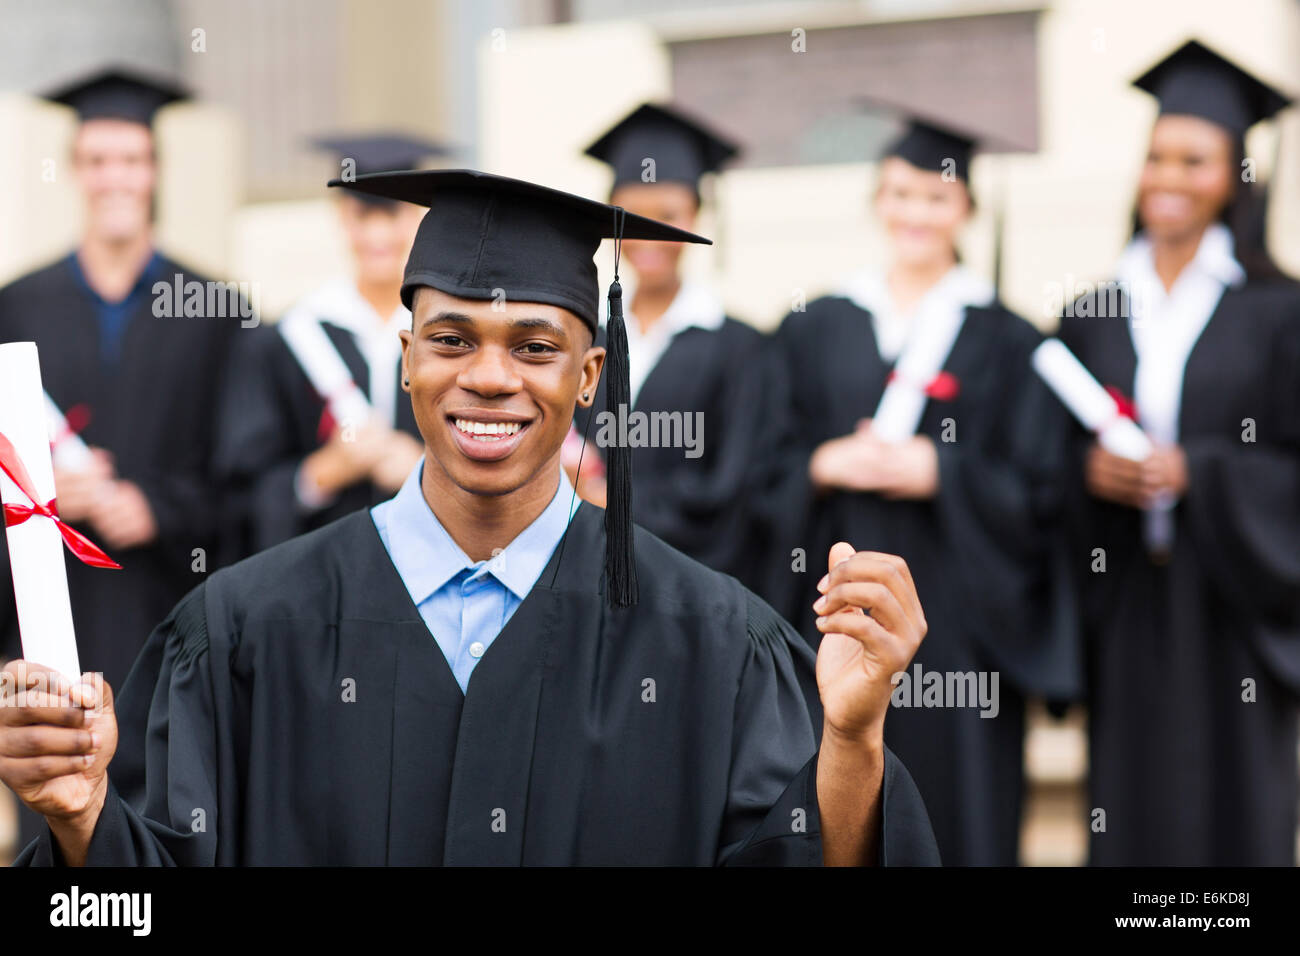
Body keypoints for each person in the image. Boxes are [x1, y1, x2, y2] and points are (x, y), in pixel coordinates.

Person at [1, 168, 939, 866]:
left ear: (589, 377)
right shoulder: (243, 633)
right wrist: (81, 817)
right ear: (407, 358)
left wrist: (852, 742)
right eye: (452, 339)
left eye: (535, 345)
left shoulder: (714, 643)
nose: (489, 376)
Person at [765, 114, 1077, 865]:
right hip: (835, 608)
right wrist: (820, 463)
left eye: (937, 198)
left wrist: (946, 472)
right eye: (901, 194)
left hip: (958, 621)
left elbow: (1047, 489)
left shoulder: (1010, 339)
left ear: (967, 209)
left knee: (961, 802)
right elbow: (762, 464)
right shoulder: (816, 325)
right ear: (878, 201)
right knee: (838, 788)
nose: (916, 213)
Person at [1057, 40, 1300, 865]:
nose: (1168, 176)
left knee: (1238, 814)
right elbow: (1045, 462)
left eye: (1195, 160)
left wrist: (1203, 470)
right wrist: (1089, 474)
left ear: (1237, 174)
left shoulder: (1278, 310)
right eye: (1157, 156)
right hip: (1128, 599)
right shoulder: (1093, 309)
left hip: (1235, 607)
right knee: (1130, 817)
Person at [0, 66, 241, 851]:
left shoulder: (215, 310)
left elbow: (248, 483)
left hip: (164, 619)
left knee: (161, 824)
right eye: (99, 159)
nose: (116, 177)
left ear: (155, 172)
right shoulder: (17, 305)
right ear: (76, 170)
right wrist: (35, 490)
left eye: (132, 160)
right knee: (48, 809)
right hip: (42, 619)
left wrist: (157, 508)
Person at [570, 103, 781, 590]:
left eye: (668, 215)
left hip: (686, 584)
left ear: (696, 217)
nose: (650, 234)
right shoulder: (584, 335)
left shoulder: (740, 348)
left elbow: (734, 486)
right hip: (582, 573)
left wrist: (614, 501)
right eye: (632, 216)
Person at [215, 134, 444, 558]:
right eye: (362, 213)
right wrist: (324, 472)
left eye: (392, 214)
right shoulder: (286, 341)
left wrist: (428, 471)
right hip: (322, 579)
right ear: (341, 217)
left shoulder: (451, 340)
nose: (377, 232)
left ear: (420, 217)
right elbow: (241, 494)